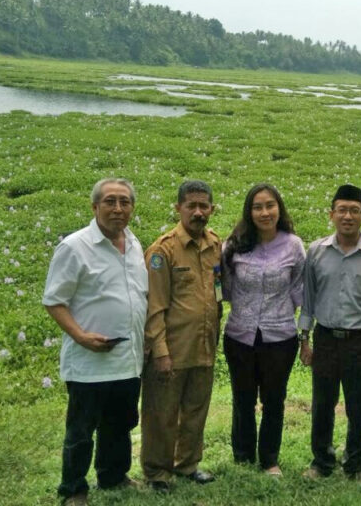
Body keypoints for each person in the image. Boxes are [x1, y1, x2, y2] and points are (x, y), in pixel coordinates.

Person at [42, 178, 148, 506]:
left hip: (127, 358)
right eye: (110, 202)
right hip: (88, 362)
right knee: (81, 432)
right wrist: (80, 335)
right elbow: (54, 300)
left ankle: (113, 477)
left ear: (132, 207)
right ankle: (73, 489)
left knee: (121, 424)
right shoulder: (75, 247)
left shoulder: (134, 244)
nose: (118, 208)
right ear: (95, 207)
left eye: (124, 202)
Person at [298, 184, 361, 483]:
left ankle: (355, 464)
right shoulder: (316, 251)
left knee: (358, 405)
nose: (348, 216)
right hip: (325, 339)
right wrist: (305, 338)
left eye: (354, 211)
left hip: (360, 342)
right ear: (331, 215)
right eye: (342, 210)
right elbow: (308, 299)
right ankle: (322, 461)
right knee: (322, 404)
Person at [141, 180, 223, 493]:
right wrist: (159, 351)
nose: (199, 212)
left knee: (195, 410)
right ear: (179, 208)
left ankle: (187, 464)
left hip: (203, 344)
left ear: (212, 209)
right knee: (161, 414)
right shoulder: (163, 251)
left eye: (205, 206)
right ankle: (157, 472)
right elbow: (154, 308)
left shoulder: (214, 245)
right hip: (171, 349)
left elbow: (217, 293)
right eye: (192, 206)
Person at [221, 183, 305, 477]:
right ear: (249, 211)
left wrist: (304, 332)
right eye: (257, 207)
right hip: (239, 336)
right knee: (242, 398)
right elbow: (226, 289)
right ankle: (242, 455)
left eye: (270, 205)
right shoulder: (233, 245)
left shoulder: (293, 245)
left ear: (279, 209)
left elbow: (299, 289)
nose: (264, 212)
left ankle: (269, 459)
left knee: (274, 399)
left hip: (280, 337)